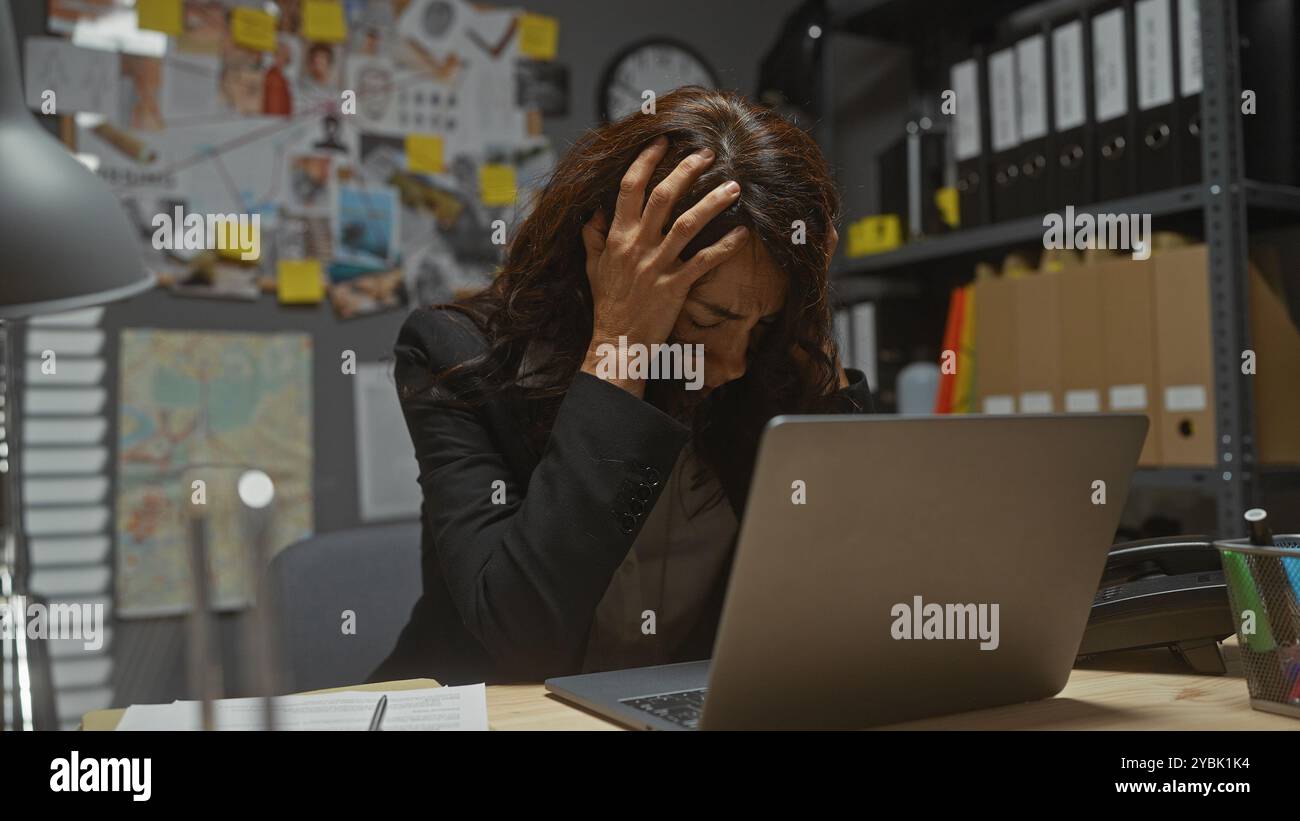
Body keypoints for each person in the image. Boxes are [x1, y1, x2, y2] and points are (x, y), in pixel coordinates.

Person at [371, 88, 872, 686]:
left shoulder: (756, 373)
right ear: (613, 257)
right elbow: (522, 636)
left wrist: (805, 320)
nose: (736, 361)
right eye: (709, 319)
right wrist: (620, 345)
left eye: (760, 323)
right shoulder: (455, 356)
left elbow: (838, 593)